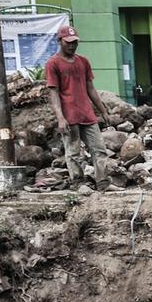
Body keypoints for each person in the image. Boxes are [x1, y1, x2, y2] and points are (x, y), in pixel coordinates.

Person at [45, 24, 111, 191]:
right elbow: (54, 93)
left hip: (87, 114)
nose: (72, 45)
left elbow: (90, 88)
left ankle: (103, 183)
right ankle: (78, 183)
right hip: (69, 116)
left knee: (99, 149)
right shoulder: (53, 63)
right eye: (68, 42)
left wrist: (102, 110)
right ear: (60, 41)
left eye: (74, 42)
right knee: (73, 152)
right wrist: (60, 117)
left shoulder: (83, 62)